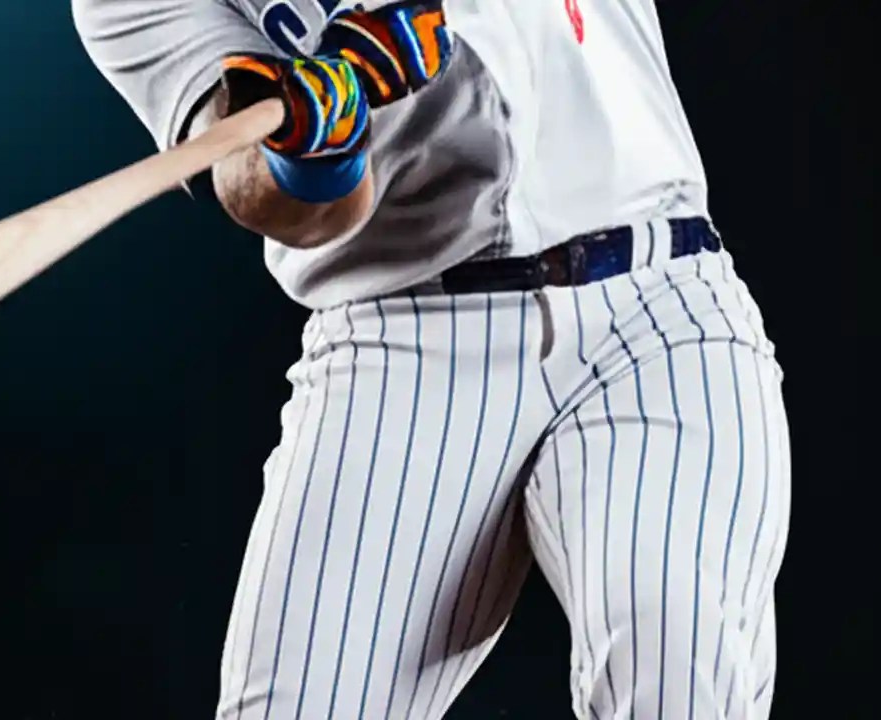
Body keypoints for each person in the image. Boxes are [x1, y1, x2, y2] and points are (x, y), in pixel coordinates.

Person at [71, 1, 791, 717]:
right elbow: (255, 184)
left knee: (673, 659)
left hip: (652, 301)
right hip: (403, 335)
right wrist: (313, 156)